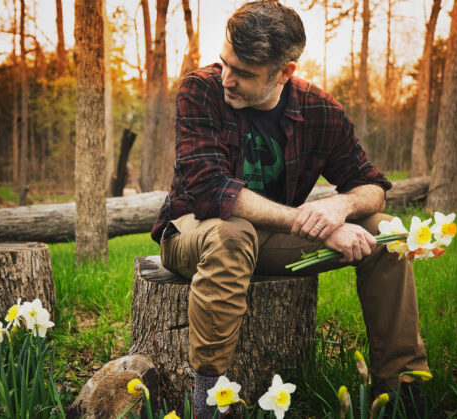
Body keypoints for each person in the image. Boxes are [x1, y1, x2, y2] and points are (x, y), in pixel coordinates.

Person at [150, 1, 431, 416]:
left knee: (386, 232)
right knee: (232, 233)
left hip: (267, 239)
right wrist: (311, 223)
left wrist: (342, 205)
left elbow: (372, 185)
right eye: (225, 62)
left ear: (285, 72)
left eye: (243, 73)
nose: (227, 78)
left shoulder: (320, 110)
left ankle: (402, 392)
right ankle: (209, 401)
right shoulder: (201, 90)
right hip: (192, 233)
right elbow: (212, 191)